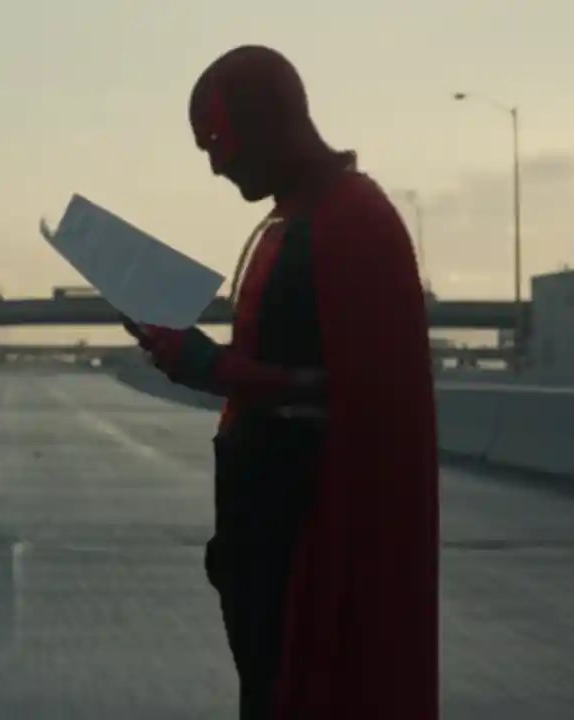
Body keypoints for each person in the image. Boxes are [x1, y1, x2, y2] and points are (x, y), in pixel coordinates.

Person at [124, 46, 439, 719]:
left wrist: (210, 365)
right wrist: (202, 362)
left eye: (217, 141)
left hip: (313, 532)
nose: (216, 164)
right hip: (266, 530)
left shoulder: (351, 222)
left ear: (265, 123)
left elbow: (350, 390)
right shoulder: (292, 221)